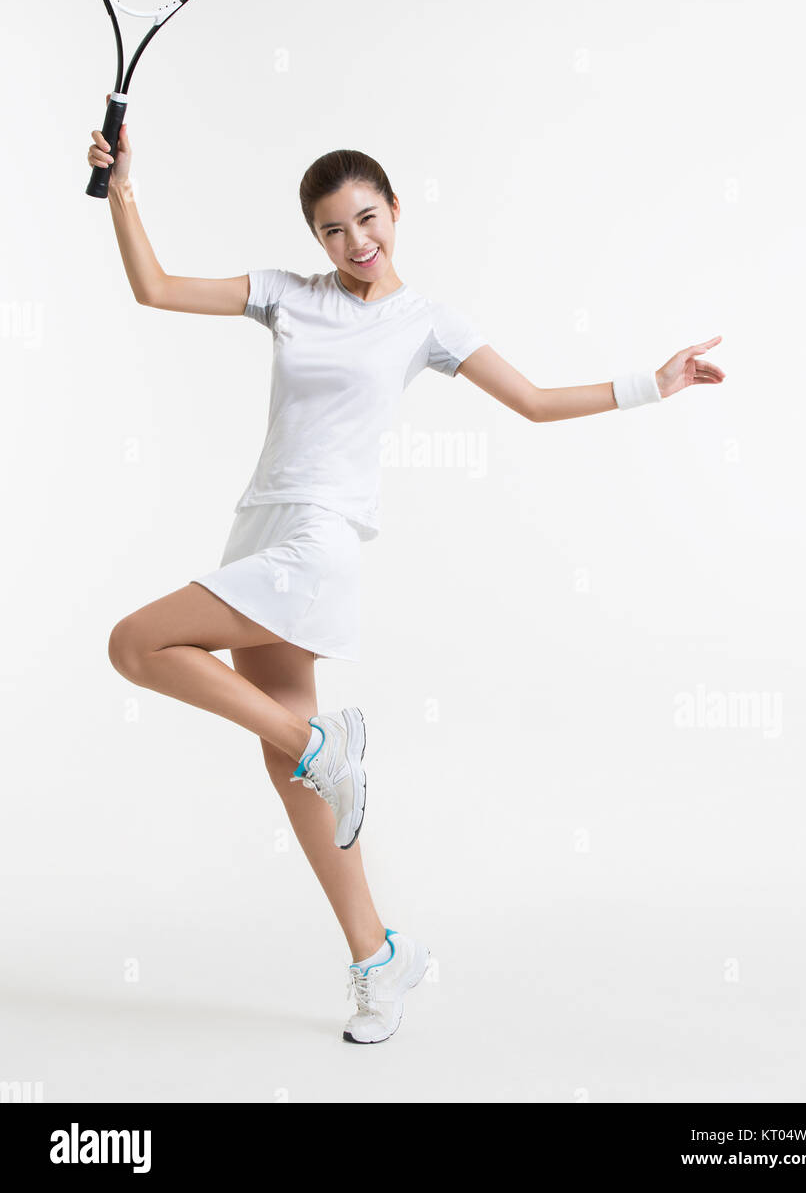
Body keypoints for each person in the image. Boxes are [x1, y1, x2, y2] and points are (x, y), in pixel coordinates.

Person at [87, 112, 725, 1044]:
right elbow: (152, 288)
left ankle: (323, 745)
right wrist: (125, 187)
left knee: (136, 644)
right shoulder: (287, 296)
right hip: (258, 524)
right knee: (289, 767)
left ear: (395, 209)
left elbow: (538, 403)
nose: (356, 242)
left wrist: (651, 385)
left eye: (368, 217)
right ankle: (378, 957)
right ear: (315, 237)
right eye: (333, 229)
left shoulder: (426, 322)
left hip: (319, 539)